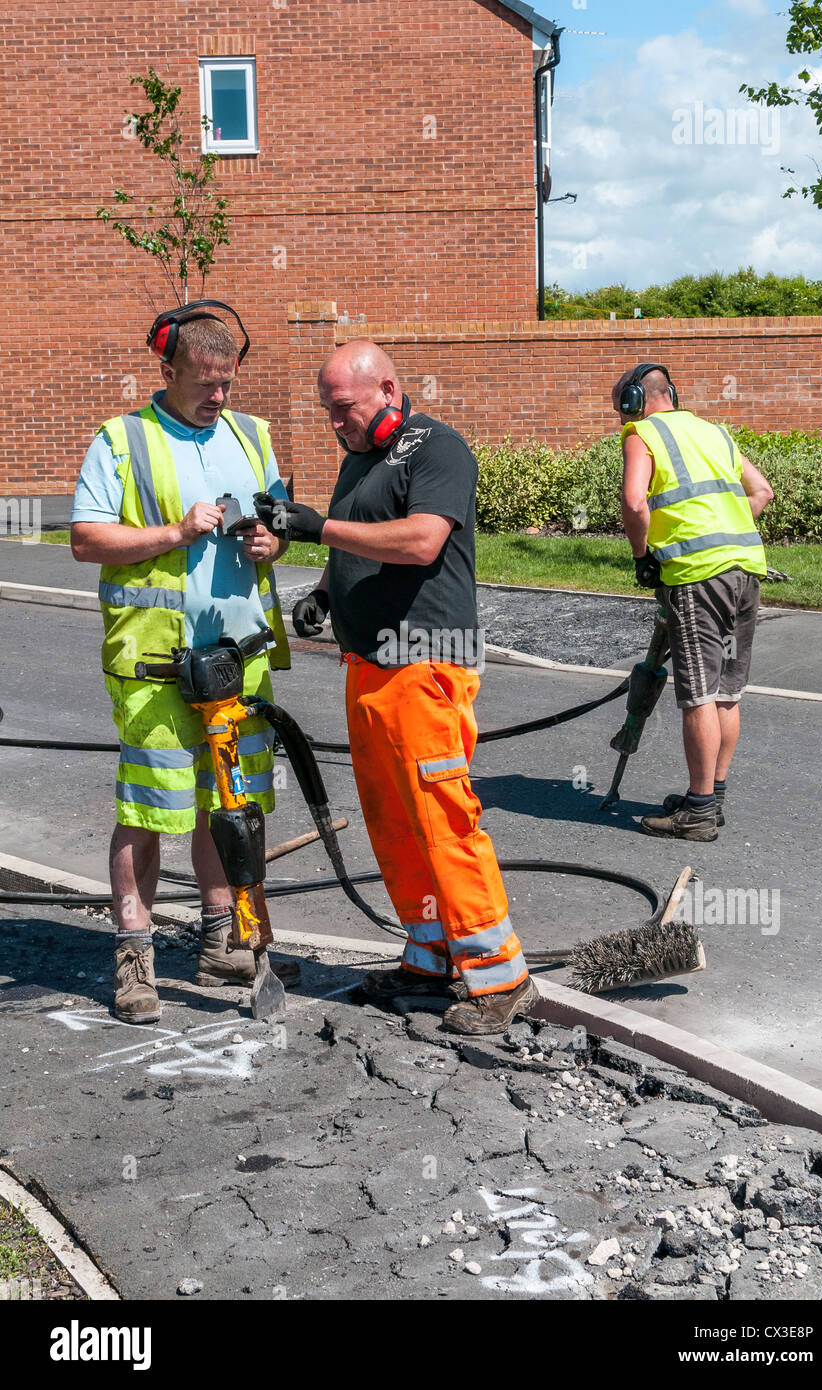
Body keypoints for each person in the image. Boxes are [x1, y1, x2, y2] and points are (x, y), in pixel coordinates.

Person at [277, 339, 536, 1034]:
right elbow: (358, 538)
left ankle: (500, 975)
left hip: (424, 660)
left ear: (387, 388)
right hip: (369, 662)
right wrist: (326, 592)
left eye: (344, 409)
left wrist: (316, 527)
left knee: (439, 815)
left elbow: (421, 539)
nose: (336, 423)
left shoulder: (436, 448)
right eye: (328, 411)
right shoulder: (360, 456)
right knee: (390, 819)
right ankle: (429, 953)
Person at [70, 307, 297, 1024]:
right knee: (148, 810)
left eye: (227, 383)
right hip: (156, 665)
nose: (218, 398)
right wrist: (172, 532)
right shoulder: (122, 440)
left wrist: (272, 545)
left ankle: (219, 936)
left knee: (228, 801)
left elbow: (279, 521)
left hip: (240, 658)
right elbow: (84, 539)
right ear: (166, 373)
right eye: (203, 384)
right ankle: (134, 958)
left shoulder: (252, 434)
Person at [612, 362, 774, 841]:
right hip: (746, 569)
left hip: (696, 578)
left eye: (621, 409)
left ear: (634, 402)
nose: (621, 420)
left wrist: (643, 556)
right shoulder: (715, 432)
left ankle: (698, 813)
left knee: (698, 693)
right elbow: (761, 491)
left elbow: (635, 502)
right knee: (726, 690)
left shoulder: (642, 434)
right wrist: (723, 533)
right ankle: (712, 796)